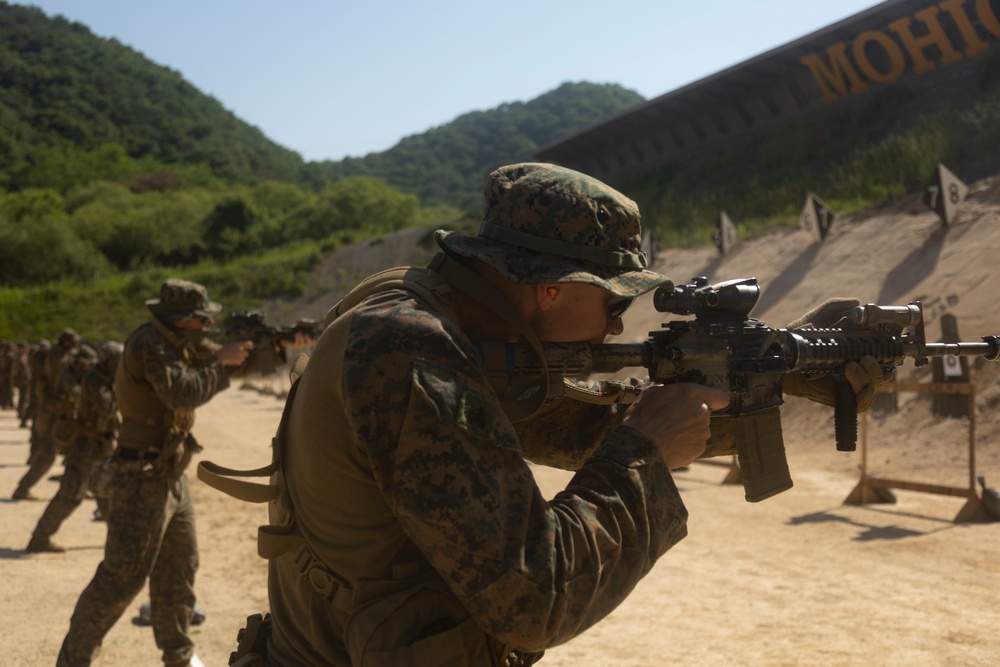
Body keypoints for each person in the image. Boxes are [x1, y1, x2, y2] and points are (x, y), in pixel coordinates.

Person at [224, 163, 885, 666]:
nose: (619, 321)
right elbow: (532, 597)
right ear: (549, 288)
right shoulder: (410, 349)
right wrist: (642, 452)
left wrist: (780, 378)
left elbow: (571, 426)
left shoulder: (427, 320)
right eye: (614, 300)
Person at [54, 279, 310, 667]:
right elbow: (183, 392)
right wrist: (218, 361)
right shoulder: (149, 344)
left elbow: (235, 364)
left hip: (169, 474)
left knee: (179, 567)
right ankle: (73, 660)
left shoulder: (177, 343)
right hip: (139, 475)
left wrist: (278, 345)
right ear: (181, 319)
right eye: (203, 320)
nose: (209, 327)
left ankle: (178, 654)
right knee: (121, 578)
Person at [26, 342, 122, 553]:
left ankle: (118, 541)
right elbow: (107, 408)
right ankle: (40, 538)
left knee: (107, 494)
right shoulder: (94, 381)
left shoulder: (107, 380)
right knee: (70, 495)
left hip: (101, 446)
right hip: (85, 447)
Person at [13, 329, 80, 501]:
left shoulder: (62, 356)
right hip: (55, 412)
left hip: (59, 411)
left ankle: (75, 488)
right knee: (48, 455)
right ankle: (23, 488)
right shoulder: (57, 358)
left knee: (77, 452)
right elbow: (63, 381)